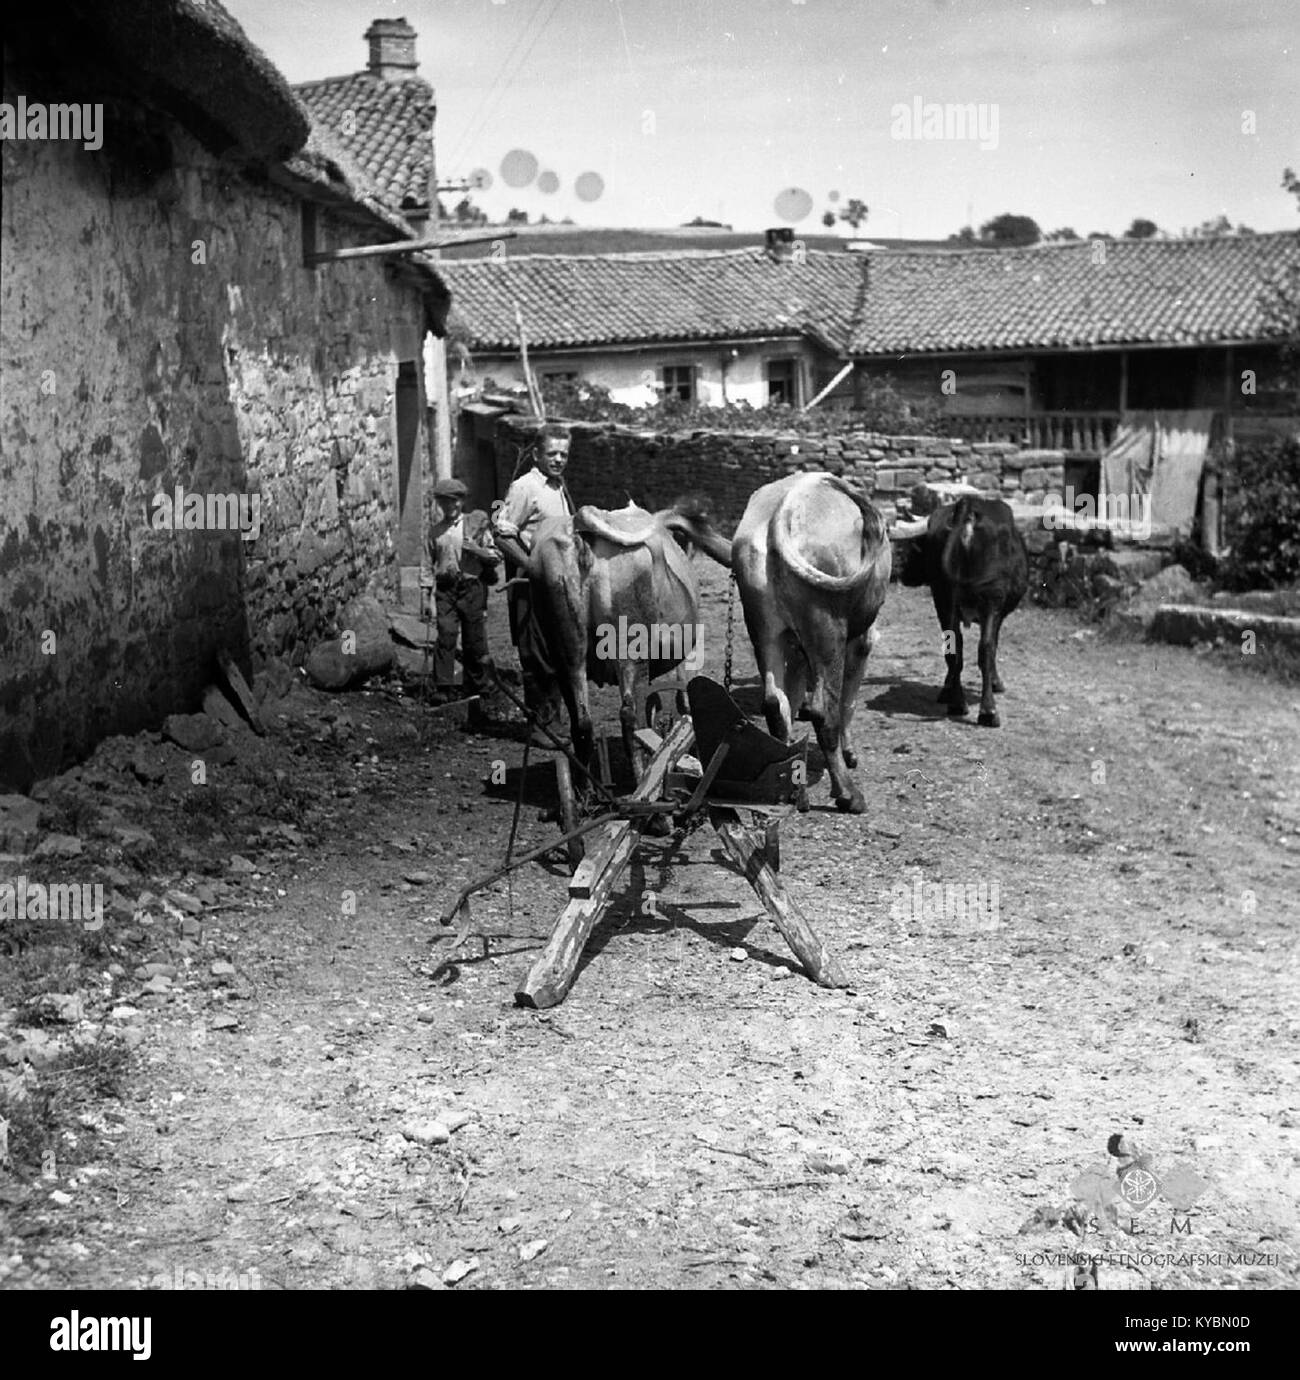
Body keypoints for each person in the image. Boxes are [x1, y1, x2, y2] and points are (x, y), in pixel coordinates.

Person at [490, 423, 574, 744]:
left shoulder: (558, 487)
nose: (557, 459)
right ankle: (540, 726)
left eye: (563, 454)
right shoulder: (525, 487)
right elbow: (502, 535)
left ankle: (556, 721)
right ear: (536, 454)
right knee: (535, 653)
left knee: (557, 651)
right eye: (551, 453)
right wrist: (532, 567)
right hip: (529, 585)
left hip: (558, 584)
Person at [420, 477, 501, 732]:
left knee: (474, 640)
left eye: (454, 501)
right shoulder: (435, 532)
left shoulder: (475, 526)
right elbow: (426, 564)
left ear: (461, 501)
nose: (450, 506)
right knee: (445, 635)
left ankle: (478, 688)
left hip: (472, 588)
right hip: (446, 590)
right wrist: (426, 597)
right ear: (439, 505)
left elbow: (495, 556)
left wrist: (476, 550)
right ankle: (443, 689)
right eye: (444, 501)